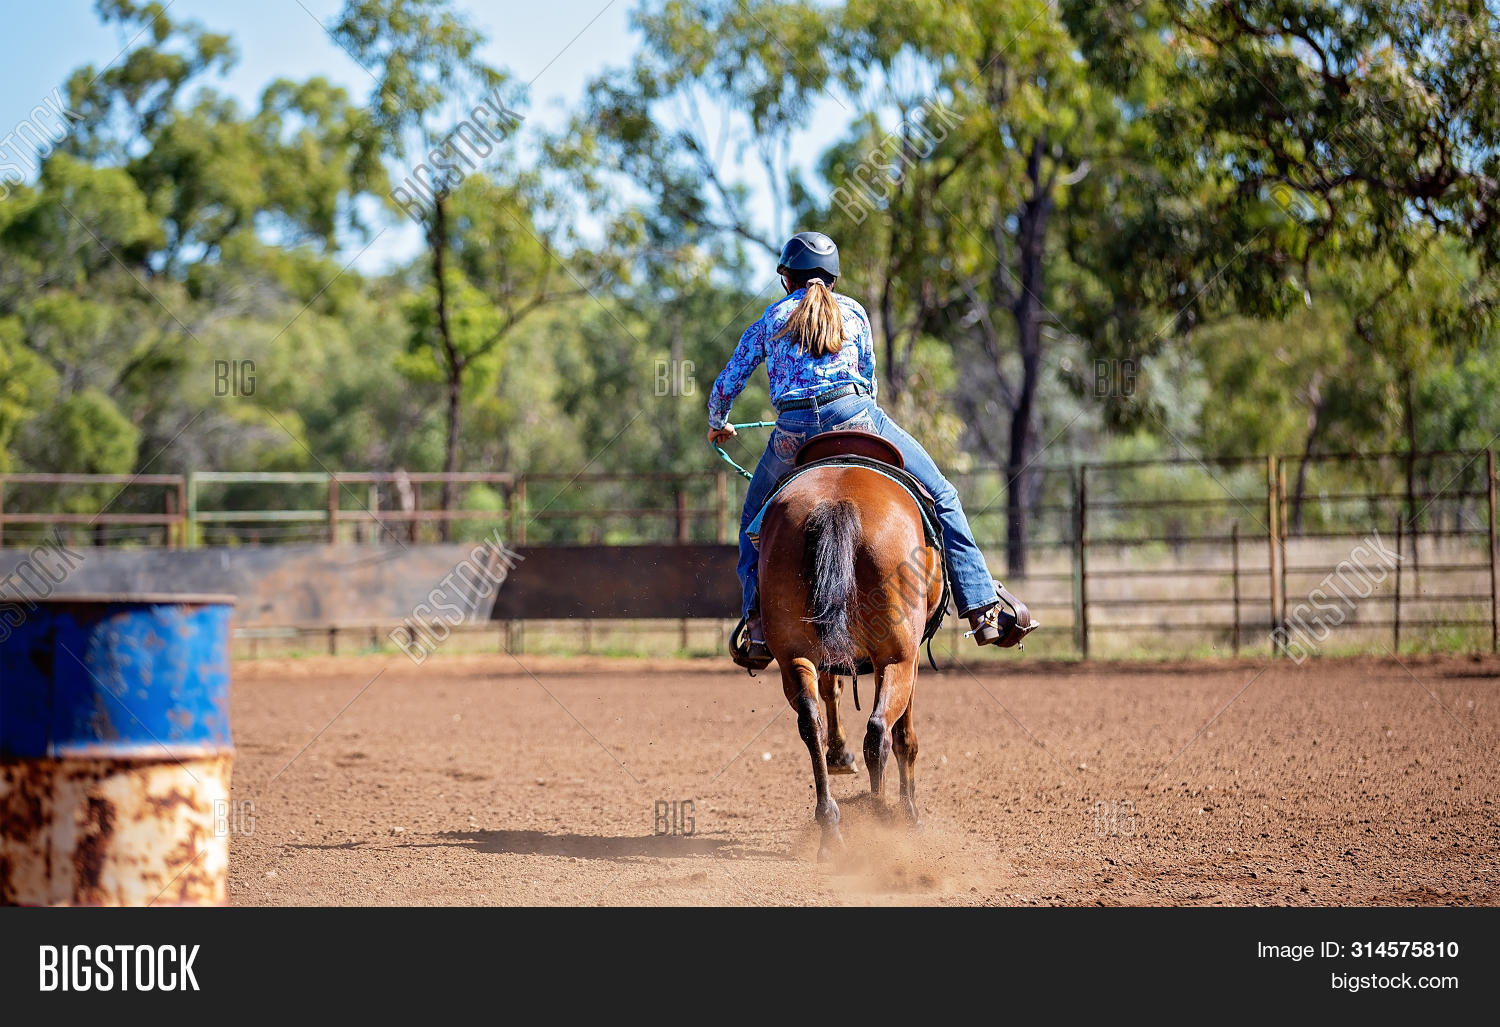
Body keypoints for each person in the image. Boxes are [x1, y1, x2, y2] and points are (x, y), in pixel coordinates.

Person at [707, 231, 1026, 668]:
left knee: (751, 526)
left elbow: (727, 382)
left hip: (792, 434)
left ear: (787, 278)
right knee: (944, 495)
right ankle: (981, 606)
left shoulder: (770, 319)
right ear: (833, 278)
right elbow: (870, 382)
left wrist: (718, 423)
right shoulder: (853, 312)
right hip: (856, 416)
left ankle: (757, 623)